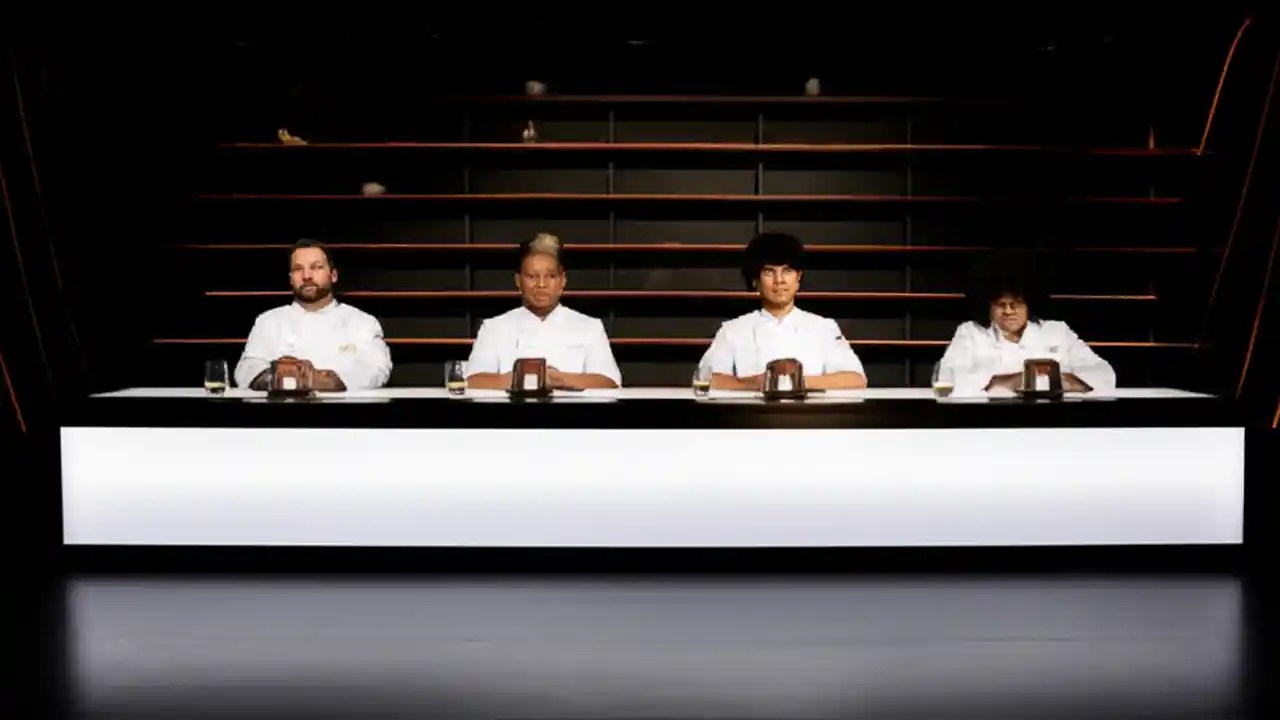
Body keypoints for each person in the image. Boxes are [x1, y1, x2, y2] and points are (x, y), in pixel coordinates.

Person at [699, 232, 867, 390]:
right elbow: (705, 379)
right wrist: (756, 382)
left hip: (813, 418)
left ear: (798, 277)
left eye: (787, 271)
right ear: (755, 281)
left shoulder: (824, 328)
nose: (779, 281)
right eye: (769, 272)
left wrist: (796, 381)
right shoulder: (733, 330)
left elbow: (856, 379)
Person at [466, 233, 621, 389]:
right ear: (518, 281)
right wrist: (526, 378)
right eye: (532, 276)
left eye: (550, 276)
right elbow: (473, 381)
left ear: (562, 281)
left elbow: (609, 382)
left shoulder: (590, 327)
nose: (541, 284)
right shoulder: (493, 327)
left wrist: (555, 379)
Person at [234, 239, 392, 391]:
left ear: (334, 276)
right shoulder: (268, 321)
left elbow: (377, 369)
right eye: (298, 269)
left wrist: (324, 381)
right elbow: (246, 370)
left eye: (316, 267)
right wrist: (275, 379)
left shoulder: (362, 322)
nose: (307, 276)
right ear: (290, 279)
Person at [938, 261, 1116, 395]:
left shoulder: (1057, 331)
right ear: (988, 306)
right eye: (1001, 304)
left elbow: (1104, 376)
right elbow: (947, 381)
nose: (1008, 311)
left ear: (1030, 304)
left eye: (1016, 304)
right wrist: (1010, 381)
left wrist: (1063, 381)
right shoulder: (970, 333)